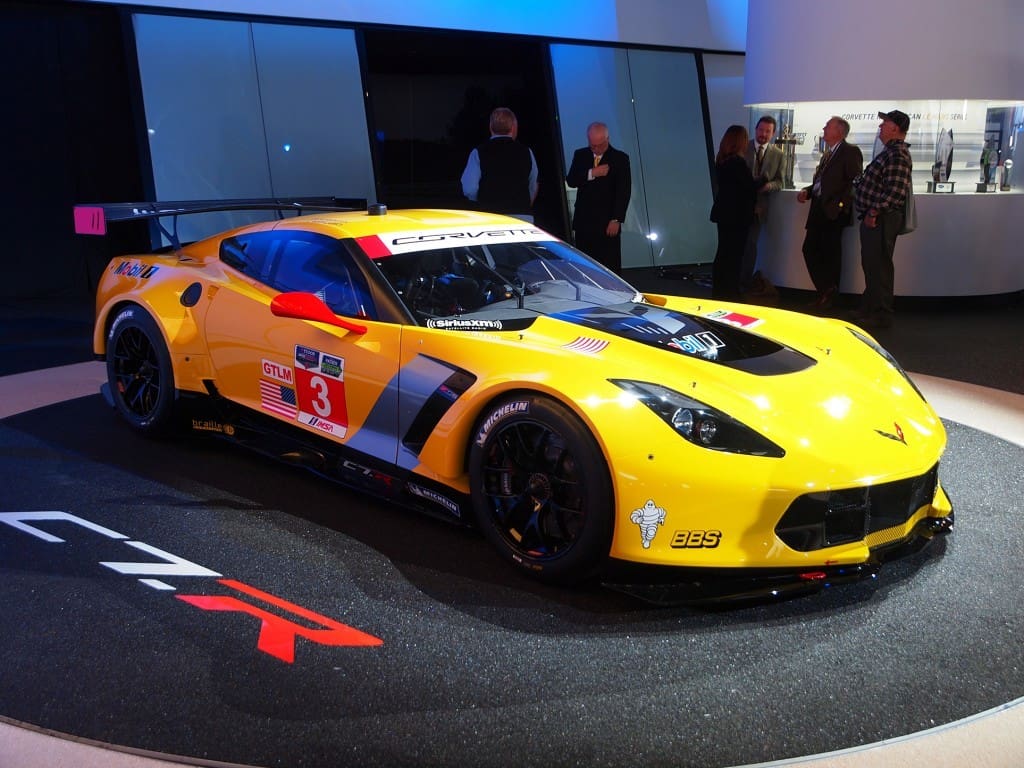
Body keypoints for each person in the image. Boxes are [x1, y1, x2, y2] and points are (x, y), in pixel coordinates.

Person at [853, 109, 913, 329]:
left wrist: (873, 212)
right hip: (878, 218)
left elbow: (894, 192)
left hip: (881, 219)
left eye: (885, 123)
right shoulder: (890, 152)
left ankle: (881, 314)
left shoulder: (897, 154)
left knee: (879, 266)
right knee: (872, 264)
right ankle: (870, 308)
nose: (880, 126)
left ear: (895, 128)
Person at [796, 116, 863, 310]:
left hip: (834, 213)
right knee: (810, 250)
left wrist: (841, 206)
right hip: (818, 211)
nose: (824, 128)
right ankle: (827, 292)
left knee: (830, 255)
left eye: (828, 126)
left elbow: (855, 182)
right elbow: (821, 183)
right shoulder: (827, 154)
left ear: (839, 131)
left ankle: (829, 297)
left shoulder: (850, 152)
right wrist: (807, 191)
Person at [565, 122, 631, 273]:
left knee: (609, 264)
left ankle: (614, 294)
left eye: (598, 145)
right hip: (584, 221)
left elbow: (624, 191)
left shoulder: (620, 158)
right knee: (585, 264)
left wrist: (616, 219)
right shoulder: (580, 154)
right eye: (591, 144)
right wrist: (591, 173)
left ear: (607, 139)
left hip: (607, 221)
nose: (594, 149)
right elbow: (571, 180)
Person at [710, 125, 762, 300]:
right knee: (734, 256)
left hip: (724, 214)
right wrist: (762, 180)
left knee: (724, 253)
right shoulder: (738, 163)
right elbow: (747, 188)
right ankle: (729, 293)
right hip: (737, 216)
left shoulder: (722, 160)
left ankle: (720, 290)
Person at [461, 107, 538, 222]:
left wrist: (486, 199)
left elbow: (470, 189)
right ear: (513, 127)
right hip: (522, 217)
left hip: (491, 217)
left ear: (490, 127)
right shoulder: (527, 152)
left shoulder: (478, 152)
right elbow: (533, 185)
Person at [741, 115, 785, 293]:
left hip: (758, 209)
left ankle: (743, 283)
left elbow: (780, 182)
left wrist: (768, 186)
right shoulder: (744, 147)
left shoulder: (778, 154)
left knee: (750, 246)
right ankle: (732, 281)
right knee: (735, 245)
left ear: (773, 133)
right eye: (761, 130)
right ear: (755, 129)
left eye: (768, 131)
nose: (763, 134)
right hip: (739, 206)